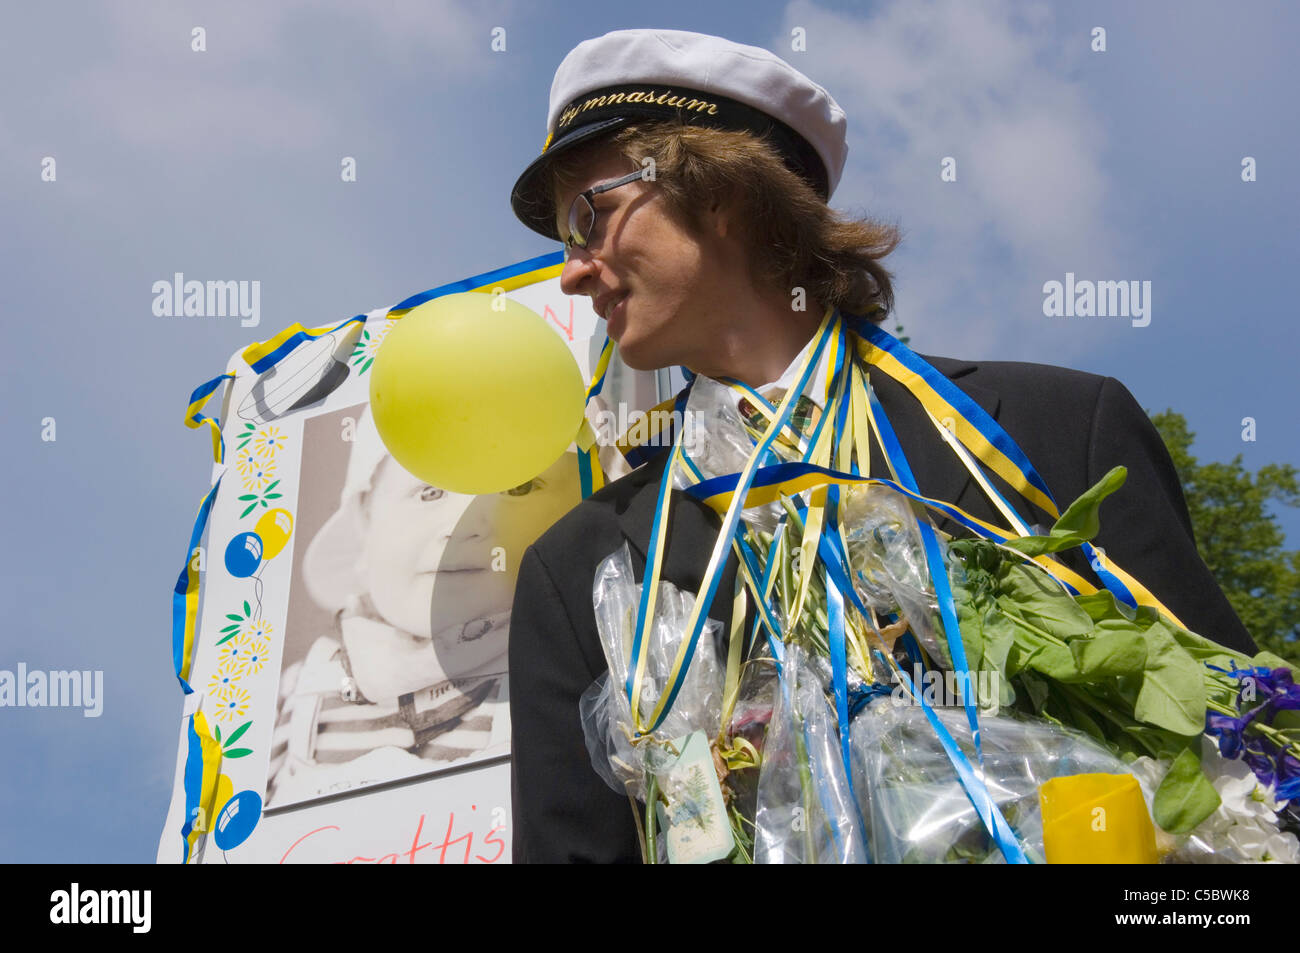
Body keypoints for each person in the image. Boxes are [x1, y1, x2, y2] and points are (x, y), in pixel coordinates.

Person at [506, 29, 1256, 863]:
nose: (572, 270)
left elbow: (1245, 758)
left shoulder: (1055, 429)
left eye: (589, 217)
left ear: (718, 192)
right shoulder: (580, 571)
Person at [266, 405, 578, 806]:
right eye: (430, 492)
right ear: (365, 524)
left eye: (511, 490)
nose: (464, 524)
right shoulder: (297, 693)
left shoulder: (562, 664)